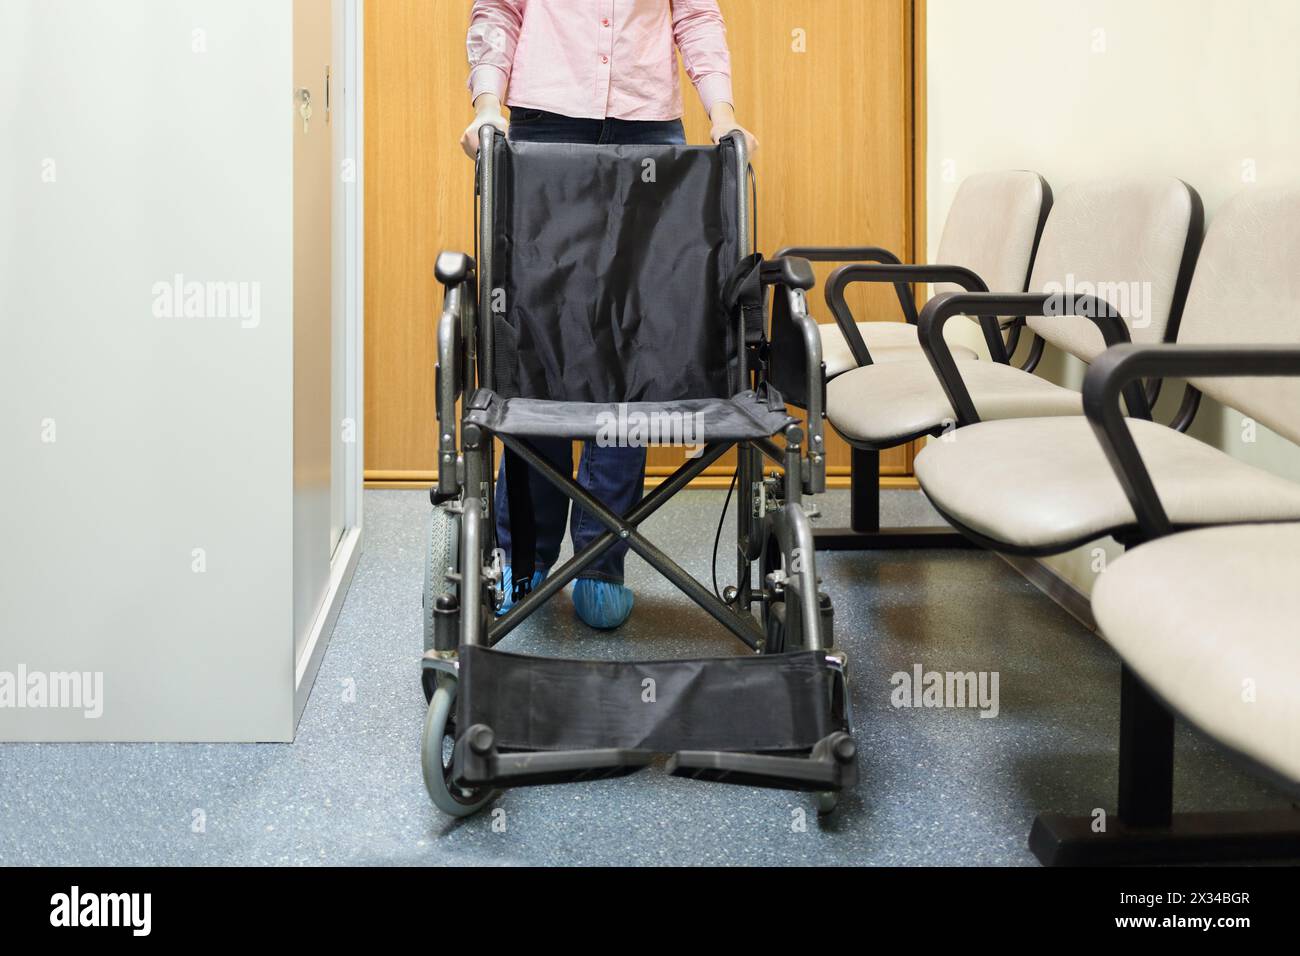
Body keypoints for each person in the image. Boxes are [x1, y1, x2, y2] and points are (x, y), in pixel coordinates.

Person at [461, 0, 758, 630]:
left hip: (649, 128)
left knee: (635, 338)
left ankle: (600, 557)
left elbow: (695, 16)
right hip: (547, 122)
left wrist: (724, 114)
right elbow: (498, 10)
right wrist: (489, 101)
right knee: (537, 338)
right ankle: (524, 557)